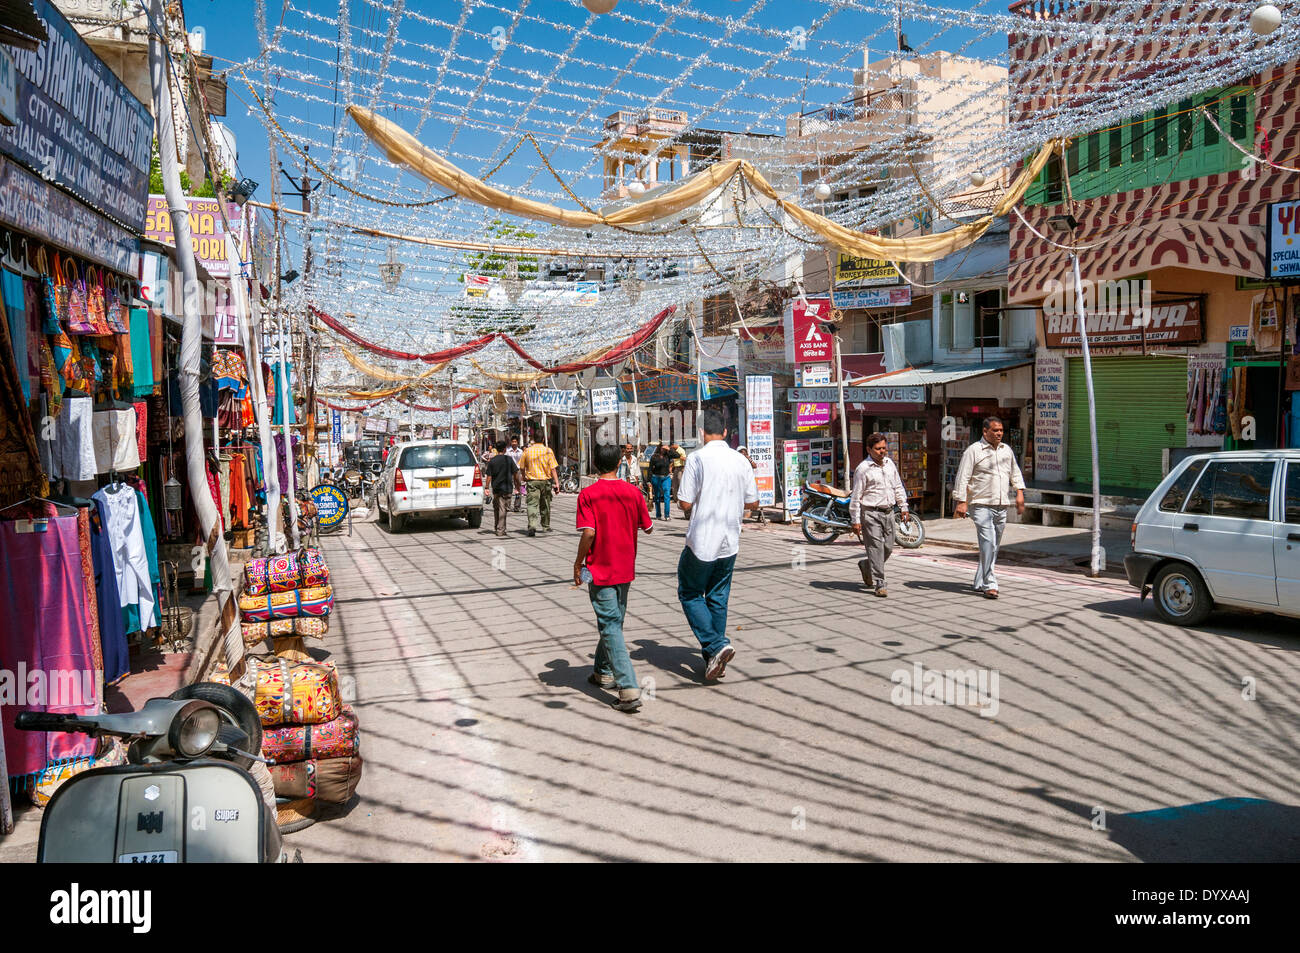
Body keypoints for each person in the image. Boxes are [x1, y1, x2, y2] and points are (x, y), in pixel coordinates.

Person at [676, 409, 759, 682]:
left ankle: (715, 646)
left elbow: (685, 503)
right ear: (726, 432)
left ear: (702, 433)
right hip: (730, 541)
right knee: (718, 597)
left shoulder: (697, 458)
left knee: (689, 592)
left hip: (702, 541)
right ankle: (715, 656)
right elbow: (753, 503)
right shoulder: (741, 460)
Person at [573, 442, 655, 713]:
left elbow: (589, 533)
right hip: (625, 568)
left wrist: (577, 563)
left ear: (595, 465)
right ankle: (602, 672)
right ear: (620, 461)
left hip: (601, 569)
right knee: (613, 622)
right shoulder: (633, 492)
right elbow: (649, 528)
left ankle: (628, 687)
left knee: (609, 624)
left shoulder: (588, 494)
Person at [952, 416, 1026, 600]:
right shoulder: (973, 451)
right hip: (980, 504)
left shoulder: (1006, 450)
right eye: (995, 430)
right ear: (985, 431)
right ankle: (990, 584)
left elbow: (1015, 472)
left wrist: (1019, 493)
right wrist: (961, 501)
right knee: (989, 543)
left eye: (1001, 430)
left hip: (1001, 505)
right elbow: (963, 477)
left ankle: (979, 581)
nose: (999, 433)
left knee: (993, 546)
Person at [850, 432, 911, 598]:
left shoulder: (890, 464)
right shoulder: (863, 469)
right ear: (869, 449)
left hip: (889, 512)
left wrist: (904, 507)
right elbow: (856, 496)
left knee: (888, 547)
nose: (882, 451)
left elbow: (898, 486)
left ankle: (867, 565)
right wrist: (855, 520)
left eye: (884, 448)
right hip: (870, 513)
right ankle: (880, 582)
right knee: (875, 548)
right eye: (878, 449)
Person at [520, 433, 560, 537]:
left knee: (532, 504)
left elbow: (521, 467)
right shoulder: (548, 451)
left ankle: (532, 525)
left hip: (532, 482)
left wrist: (524, 476)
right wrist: (557, 483)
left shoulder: (527, 451)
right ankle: (546, 526)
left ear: (533, 439)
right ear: (543, 439)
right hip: (545, 482)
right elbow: (553, 469)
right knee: (545, 504)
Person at [485, 440, 521, 537]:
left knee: (497, 508)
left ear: (496, 449)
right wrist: (518, 485)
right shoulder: (509, 459)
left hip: (496, 489)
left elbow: (489, 476)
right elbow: (516, 474)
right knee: (502, 508)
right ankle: (500, 529)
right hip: (507, 488)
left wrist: (486, 487)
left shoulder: (492, 461)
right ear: (505, 449)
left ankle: (498, 526)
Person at [737, 446, 765, 523]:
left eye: (745, 453)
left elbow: (755, 466)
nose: (743, 455)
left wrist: (748, 458)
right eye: (742, 453)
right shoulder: (736, 461)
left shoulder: (748, 460)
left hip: (748, 484)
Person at [648, 442, 673, 520]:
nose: (664, 449)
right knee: (657, 497)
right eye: (663, 447)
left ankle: (667, 515)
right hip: (656, 478)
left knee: (667, 495)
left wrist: (669, 449)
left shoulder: (668, 455)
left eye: (665, 447)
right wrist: (649, 481)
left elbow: (677, 455)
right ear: (659, 448)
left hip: (666, 477)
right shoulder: (654, 457)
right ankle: (658, 514)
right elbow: (650, 469)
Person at [506, 436, 524, 512]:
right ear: (511, 442)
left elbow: (523, 463)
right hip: (509, 471)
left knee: (518, 488)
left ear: (517, 443)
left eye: (515, 442)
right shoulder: (507, 451)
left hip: (518, 471)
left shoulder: (521, 452)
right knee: (509, 488)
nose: (514, 443)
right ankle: (507, 506)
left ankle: (517, 506)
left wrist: (523, 474)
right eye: (512, 441)